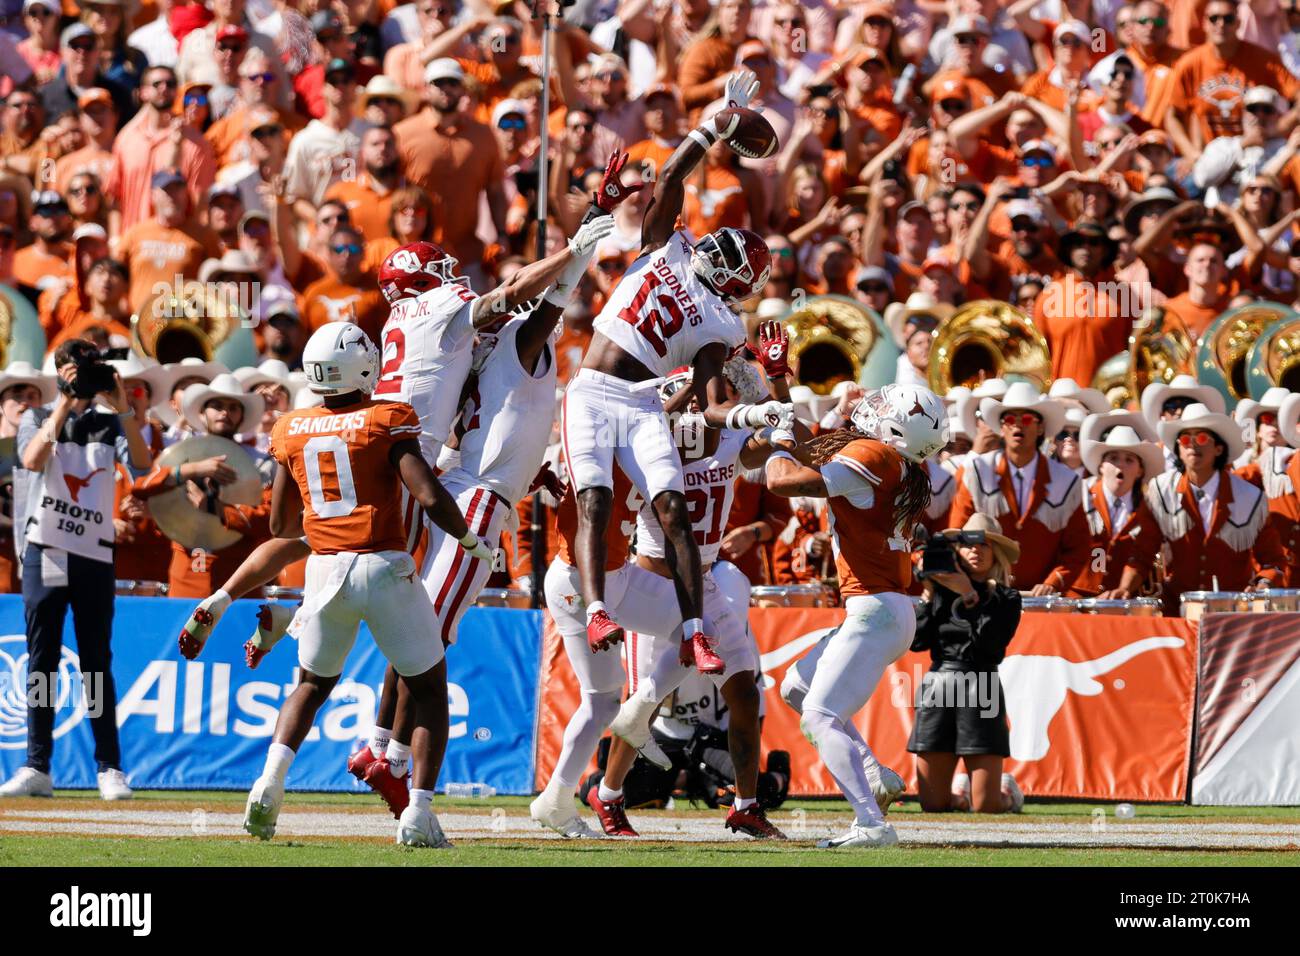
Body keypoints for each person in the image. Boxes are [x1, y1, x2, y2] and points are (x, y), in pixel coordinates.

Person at [234, 322, 492, 848]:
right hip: (383, 565)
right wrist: (471, 541)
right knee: (428, 690)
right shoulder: (386, 418)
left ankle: (270, 781)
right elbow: (426, 493)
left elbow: (282, 525)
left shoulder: (291, 428)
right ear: (363, 366)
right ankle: (419, 812)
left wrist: (327, 521)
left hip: (325, 569)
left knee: (310, 686)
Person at [563, 69, 787, 675]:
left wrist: (753, 410)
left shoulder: (720, 322)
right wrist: (713, 121)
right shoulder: (669, 248)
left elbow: (713, 404)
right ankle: (597, 609)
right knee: (596, 501)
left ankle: (693, 632)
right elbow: (667, 176)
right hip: (590, 391)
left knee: (673, 512)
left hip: (638, 402)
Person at [596, 358, 791, 840]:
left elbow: (785, 435)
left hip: (703, 586)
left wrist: (776, 383)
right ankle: (609, 795)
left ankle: (746, 805)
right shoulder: (650, 444)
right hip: (654, 587)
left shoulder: (728, 438)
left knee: (744, 690)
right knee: (645, 701)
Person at [768, 383, 947, 849]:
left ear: (896, 427)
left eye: (889, 407)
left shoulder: (875, 456)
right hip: (885, 610)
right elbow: (814, 449)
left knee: (820, 717)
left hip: (875, 609)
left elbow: (785, 480)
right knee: (795, 687)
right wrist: (778, 387)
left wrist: (770, 441)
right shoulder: (897, 463)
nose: (875, 404)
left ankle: (870, 822)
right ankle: (872, 772)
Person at [0, 339, 151, 801]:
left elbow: (142, 469)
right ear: (58, 372)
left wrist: (124, 410)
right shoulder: (35, 415)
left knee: (96, 663)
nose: (79, 377)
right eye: (72, 369)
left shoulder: (110, 423)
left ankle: (109, 766)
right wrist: (64, 403)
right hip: (45, 549)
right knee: (42, 661)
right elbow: (30, 461)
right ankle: (37, 764)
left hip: (92, 552)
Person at [908, 513, 1024, 814]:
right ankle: (960, 794)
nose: (976, 550)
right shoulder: (938, 591)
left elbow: (989, 645)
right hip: (940, 683)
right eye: (968, 544)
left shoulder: (1006, 597)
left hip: (982, 684)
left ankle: (1008, 794)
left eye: (985, 544)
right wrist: (928, 594)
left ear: (996, 552)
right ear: (956, 551)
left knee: (986, 806)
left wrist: (969, 594)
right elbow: (915, 642)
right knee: (933, 805)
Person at [948, 383, 1091, 595]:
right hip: (986, 595)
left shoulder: (1066, 480)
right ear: (1001, 428)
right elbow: (957, 534)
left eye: (1025, 419)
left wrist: (1053, 582)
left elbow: (1077, 549)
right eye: (1009, 420)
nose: (1017, 426)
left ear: (1040, 428)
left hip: (1040, 600)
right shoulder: (976, 471)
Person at [1147, 402, 1286, 613]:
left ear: (1218, 448)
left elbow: (1273, 561)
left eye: (1202, 438)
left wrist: (1263, 584)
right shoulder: (1160, 490)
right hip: (1176, 612)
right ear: (1179, 450)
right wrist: (1124, 587)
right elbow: (1142, 552)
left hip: (1231, 613)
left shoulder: (1249, 496)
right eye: (1185, 439)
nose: (1193, 445)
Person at [1068, 425, 1165, 599]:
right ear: (1101, 467)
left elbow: (1141, 558)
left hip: (1120, 601)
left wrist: (1124, 589)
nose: (1120, 465)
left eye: (1129, 460)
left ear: (1140, 471)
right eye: (1113, 458)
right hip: (1074, 596)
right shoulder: (1078, 497)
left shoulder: (1148, 510)